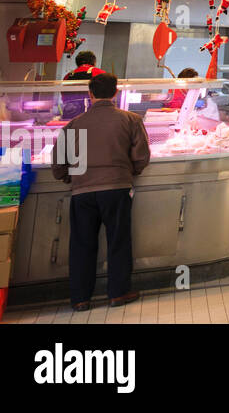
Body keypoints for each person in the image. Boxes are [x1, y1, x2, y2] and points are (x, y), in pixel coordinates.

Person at [51, 73, 150, 311]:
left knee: (82, 244)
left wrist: (72, 178)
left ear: (90, 94)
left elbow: (57, 166)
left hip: (82, 192)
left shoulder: (74, 124)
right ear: (116, 93)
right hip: (117, 188)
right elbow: (141, 157)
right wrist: (128, 172)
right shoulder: (131, 120)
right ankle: (118, 293)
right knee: (118, 241)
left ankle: (80, 299)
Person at [60, 51, 105, 120]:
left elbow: (64, 98)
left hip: (70, 116)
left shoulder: (68, 75)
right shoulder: (100, 73)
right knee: (89, 130)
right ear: (94, 62)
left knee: (73, 131)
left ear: (77, 63)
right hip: (92, 116)